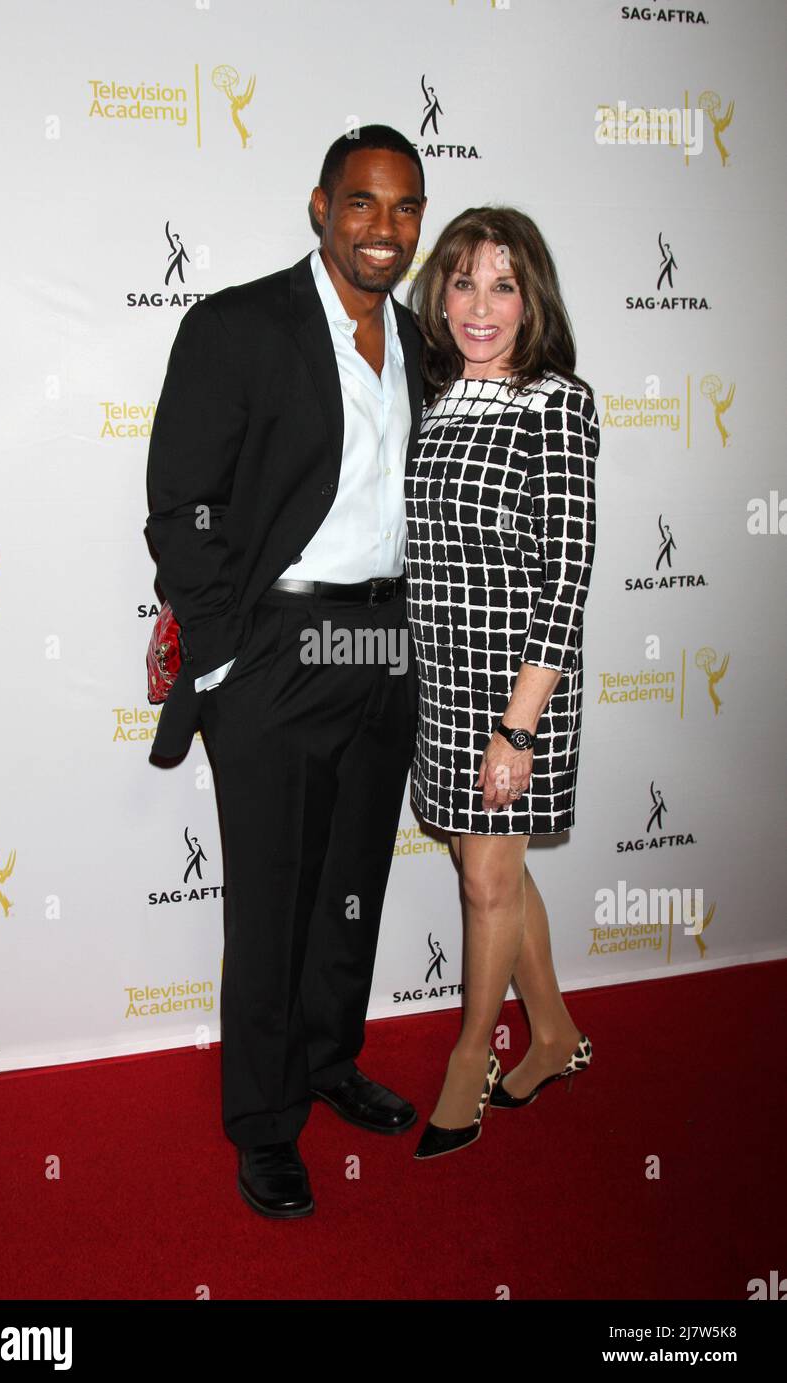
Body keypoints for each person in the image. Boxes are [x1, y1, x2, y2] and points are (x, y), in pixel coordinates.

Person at [145, 126, 427, 1216]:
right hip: (277, 650)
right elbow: (182, 506)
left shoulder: (419, 341)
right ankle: (263, 1122)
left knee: (351, 878)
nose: (383, 229)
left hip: (385, 645)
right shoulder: (236, 327)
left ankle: (326, 1057)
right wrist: (219, 663)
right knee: (270, 897)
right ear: (319, 207)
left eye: (404, 208)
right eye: (362, 204)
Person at [404, 207, 599, 1160]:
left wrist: (520, 724)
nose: (481, 305)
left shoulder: (556, 401)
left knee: (486, 880)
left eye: (504, 284)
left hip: (520, 679)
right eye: (465, 282)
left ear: (532, 299)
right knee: (494, 869)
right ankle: (555, 1034)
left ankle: (468, 1059)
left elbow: (568, 570)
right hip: (441, 679)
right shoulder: (434, 399)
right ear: (440, 293)